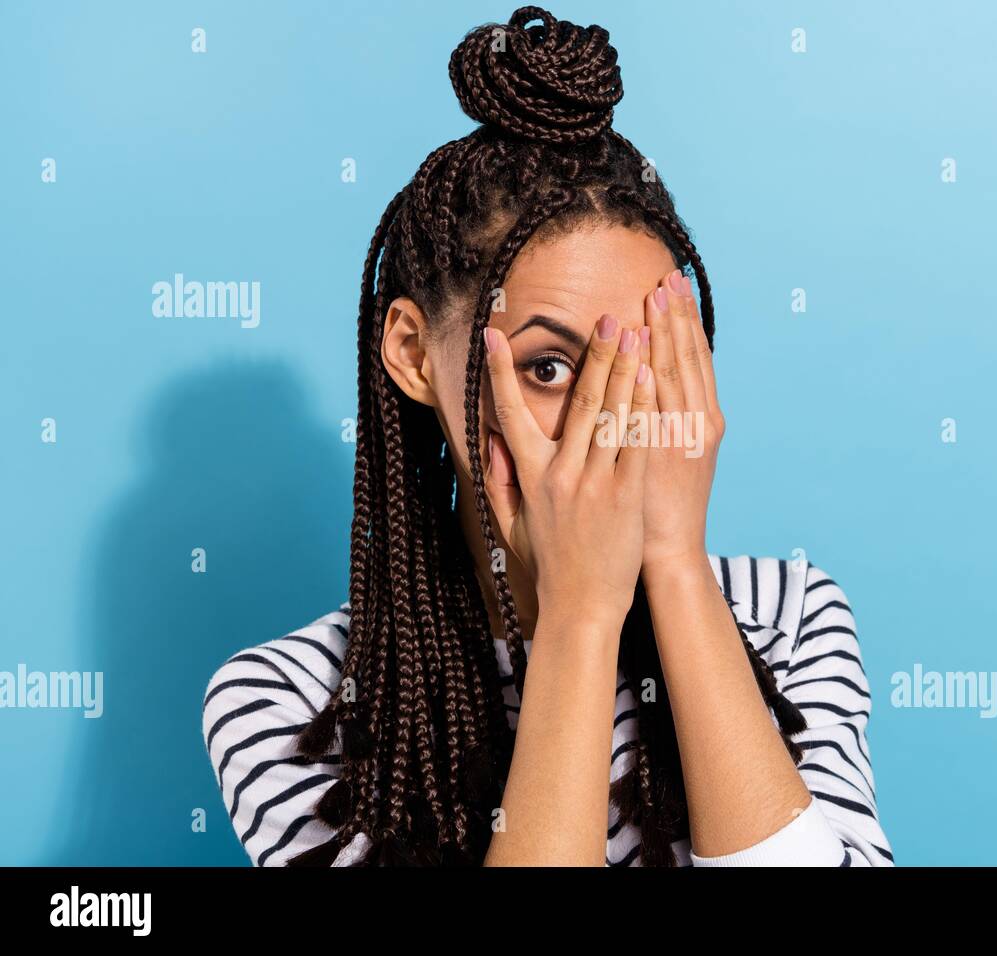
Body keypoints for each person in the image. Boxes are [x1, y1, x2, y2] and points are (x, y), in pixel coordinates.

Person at [202, 5, 892, 867]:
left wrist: (674, 564)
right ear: (414, 356)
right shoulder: (289, 703)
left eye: (648, 365)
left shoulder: (786, 621)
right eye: (549, 369)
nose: (614, 422)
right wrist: (579, 620)